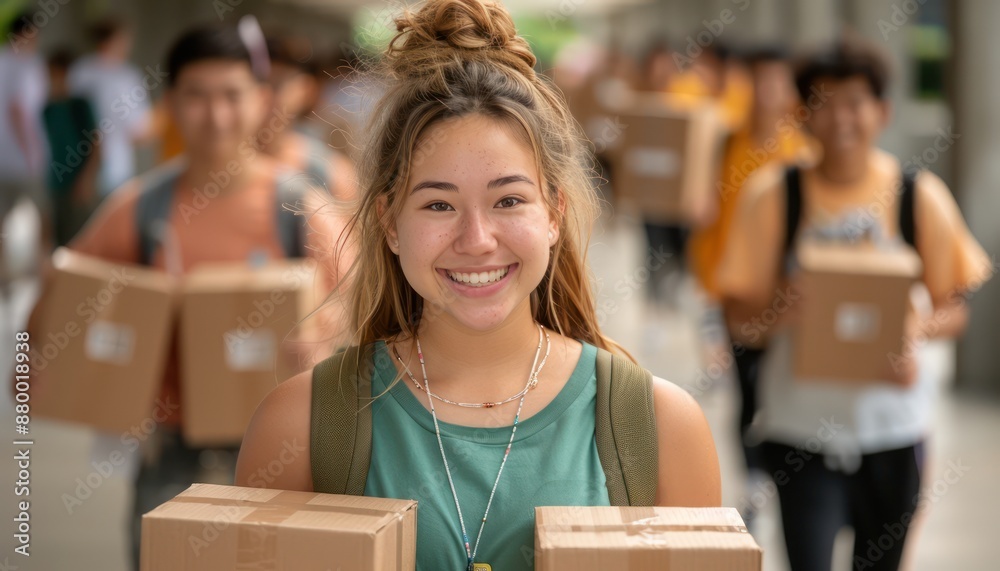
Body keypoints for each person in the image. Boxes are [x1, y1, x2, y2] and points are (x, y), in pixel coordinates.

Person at [236, 1, 721, 569]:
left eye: (508, 200)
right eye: (438, 204)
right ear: (390, 224)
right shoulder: (300, 425)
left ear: (554, 214)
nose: (476, 239)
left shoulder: (659, 428)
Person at [23, 23, 353, 569]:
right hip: (172, 455)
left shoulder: (299, 207)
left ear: (260, 100)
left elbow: (363, 300)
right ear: (171, 103)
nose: (216, 115)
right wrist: (32, 364)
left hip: (284, 450)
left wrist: (326, 331)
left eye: (231, 95)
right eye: (197, 96)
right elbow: (57, 298)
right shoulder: (141, 208)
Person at [716, 40, 992, 571]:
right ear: (802, 115)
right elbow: (737, 318)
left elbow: (955, 309)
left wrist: (914, 330)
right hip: (799, 429)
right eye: (824, 103)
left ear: (882, 111)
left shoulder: (917, 195)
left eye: (855, 102)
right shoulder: (773, 195)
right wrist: (780, 314)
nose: (841, 118)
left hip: (893, 430)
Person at [686, 46, 813, 525]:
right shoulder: (727, 143)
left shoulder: (802, 151)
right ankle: (756, 479)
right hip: (737, 294)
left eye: (776, 82)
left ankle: (784, 475)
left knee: (783, 390)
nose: (766, 92)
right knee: (747, 388)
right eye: (758, 81)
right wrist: (709, 289)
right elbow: (708, 224)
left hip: (789, 297)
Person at [68, 19, 154, 198]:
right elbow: (141, 129)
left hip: (77, 162)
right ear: (115, 40)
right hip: (113, 166)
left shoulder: (80, 71)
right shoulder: (127, 77)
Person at [0, 11, 50, 285]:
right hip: (23, 158)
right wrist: (31, 151)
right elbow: (17, 109)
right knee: (42, 213)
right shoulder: (27, 64)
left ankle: (4, 272)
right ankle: (45, 270)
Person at [42, 49, 103, 246]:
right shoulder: (47, 108)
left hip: (78, 183)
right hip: (55, 184)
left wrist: (86, 180)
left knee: (80, 241)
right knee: (58, 242)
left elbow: (95, 144)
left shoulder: (79, 105)